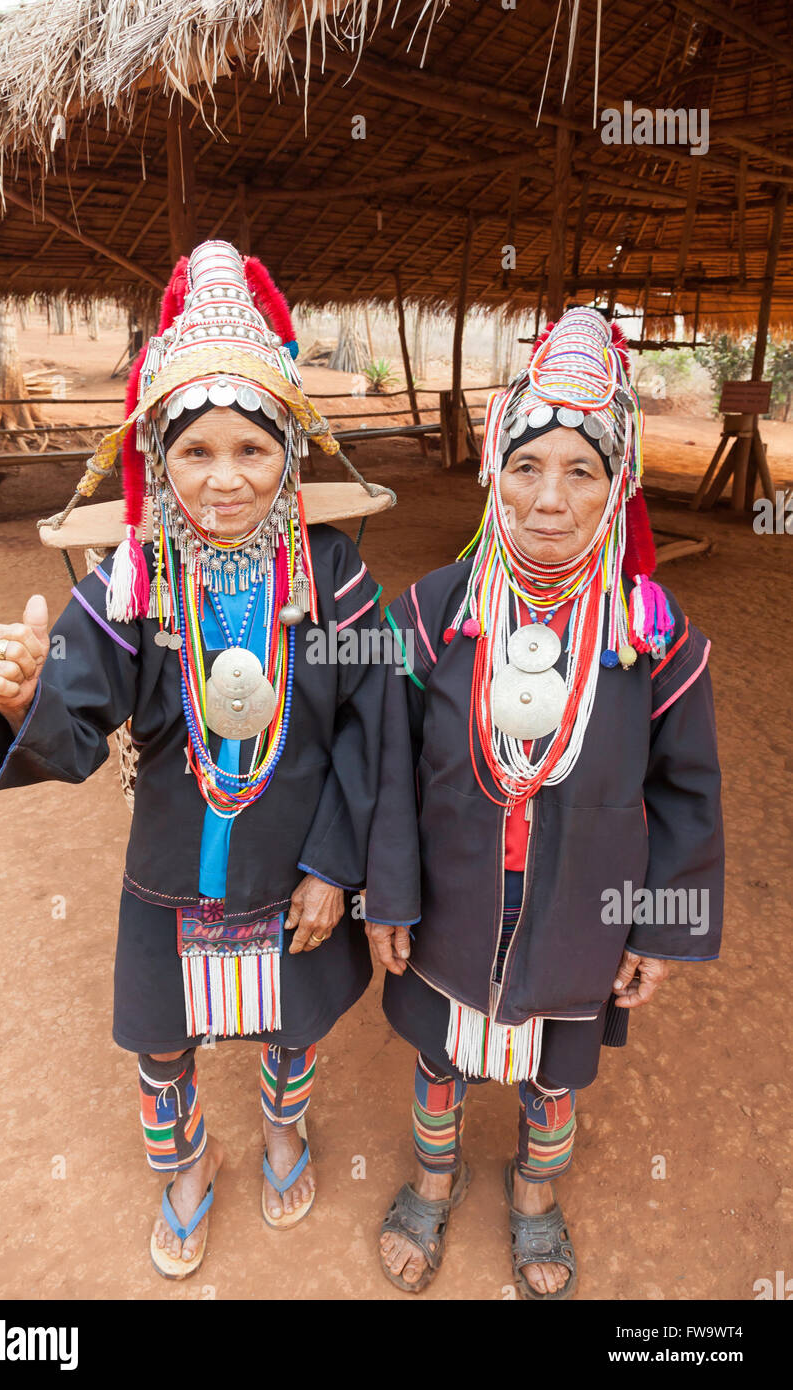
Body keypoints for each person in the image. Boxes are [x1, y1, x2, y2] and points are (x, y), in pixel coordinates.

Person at [0, 240, 384, 1279]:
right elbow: (76, 709)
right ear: (158, 456)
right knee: (162, 1041)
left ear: (289, 451)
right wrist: (24, 695)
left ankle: (284, 1131)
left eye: (251, 448)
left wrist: (335, 865)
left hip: (294, 870)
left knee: (292, 1025)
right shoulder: (128, 581)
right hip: (168, 868)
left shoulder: (332, 577)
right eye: (195, 452)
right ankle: (186, 1165)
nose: (224, 478)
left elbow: (375, 729)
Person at [364, 307, 723, 1299]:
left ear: (617, 487)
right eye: (527, 466)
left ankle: (532, 1199)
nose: (550, 499)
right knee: (439, 1058)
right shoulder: (431, 613)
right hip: (452, 901)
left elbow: (685, 789)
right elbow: (388, 766)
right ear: (491, 470)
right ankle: (432, 1180)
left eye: (581, 471)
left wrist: (658, 925)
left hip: (579, 916)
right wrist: (386, 893)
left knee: (553, 1069)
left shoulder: (653, 637)